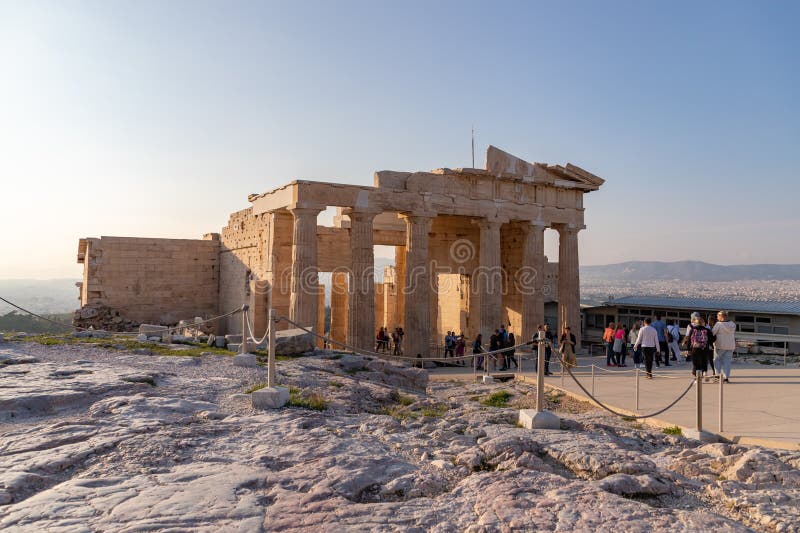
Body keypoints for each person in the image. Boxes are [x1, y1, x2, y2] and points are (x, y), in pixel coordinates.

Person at [682, 312, 713, 381]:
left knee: (696, 363)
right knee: (704, 361)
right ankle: (705, 372)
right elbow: (713, 338)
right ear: (702, 322)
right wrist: (710, 344)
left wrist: (688, 349)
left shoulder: (692, 329)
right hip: (705, 348)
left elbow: (689, 339)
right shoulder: (707, 329)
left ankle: (697, 379)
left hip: (695, 348)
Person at [712, 311, 736, 383]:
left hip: (720, 345)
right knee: (727, 362)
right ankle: (726, 378)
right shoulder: (732, 324)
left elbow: (713, 333)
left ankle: (717, 376)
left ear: (721, 317)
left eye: (717, 316)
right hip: (730, 345)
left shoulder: (718, 324)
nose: (717, 318)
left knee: (717, 360)